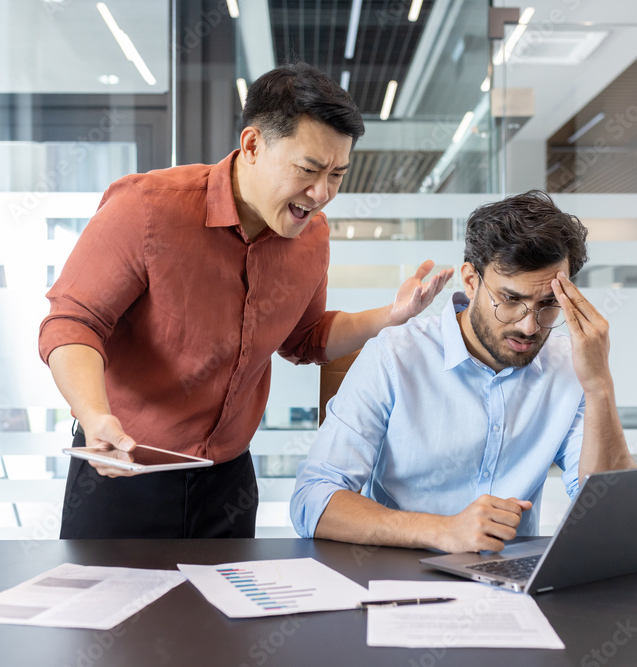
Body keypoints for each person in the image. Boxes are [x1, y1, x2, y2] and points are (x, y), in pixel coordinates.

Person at [39, 62, 453, 540]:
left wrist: (391, 316)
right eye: (309, 169)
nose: (322, 194)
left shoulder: (311, 236)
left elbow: (305, 340)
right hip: (124, 469)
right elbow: (72, 323)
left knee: (225, 614)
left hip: (228, 482)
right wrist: (93, 415)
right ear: (253, 145)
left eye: (338, 174)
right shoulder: (148, 208)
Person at [290, 190, 636, 552]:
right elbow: (312, 500)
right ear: (471, 282)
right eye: (511, 300)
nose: (530, 326)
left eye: (548, 304)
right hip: (402, 577)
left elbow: (611, 509)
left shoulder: (569, 364)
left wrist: (599, 387)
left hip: (510, 583)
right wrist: (443, 531)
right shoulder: (394, 358)